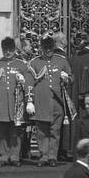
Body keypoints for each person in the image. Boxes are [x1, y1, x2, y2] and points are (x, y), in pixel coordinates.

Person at [0, 37, 31, 166]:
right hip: (1, 103)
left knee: (16, 132)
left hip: (16, 103)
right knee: (2, 132)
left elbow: (29, 84)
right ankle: (3, 156)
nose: (7, 52)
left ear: (14, 50)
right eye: (5, 50)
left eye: (10, 50)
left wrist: (24, 83)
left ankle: (15, 156)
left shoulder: (21, 65)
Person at [29, 37, 74, 167]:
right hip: (41, 101)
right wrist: (30, 101)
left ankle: (52, 156)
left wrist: (66, 78)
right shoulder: (35, 62)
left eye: (50, 48)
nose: (48, 51)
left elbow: (71, 78)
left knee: (55, 130)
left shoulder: (61, 61)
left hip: (57, 101)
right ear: (41, 48)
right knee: (42, 130)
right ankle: (44, 155)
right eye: (45, 48)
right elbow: (30, 83)